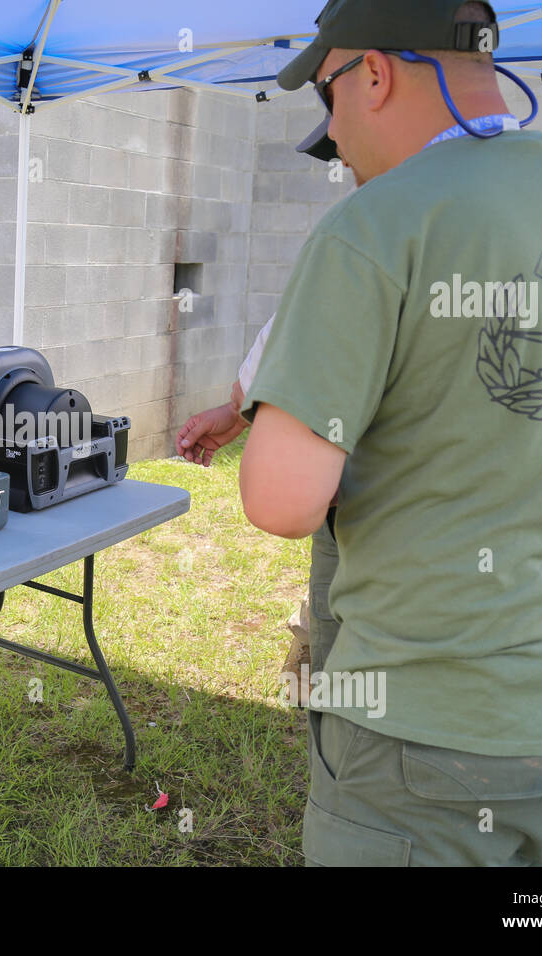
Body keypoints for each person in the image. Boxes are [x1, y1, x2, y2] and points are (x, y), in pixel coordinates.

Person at [239, 0, 542, 865]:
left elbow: (281, 500)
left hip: (435, 733)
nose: (332, 131)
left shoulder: (375, 226)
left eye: (326, 97)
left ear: (372, 73)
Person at [178, 122, 365, 699]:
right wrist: (236, 414)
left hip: (388, 548)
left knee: (351, 711)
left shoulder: (366, 238)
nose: (348, 164)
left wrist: (265, 433)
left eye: (349, 145)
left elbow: (280, 506)